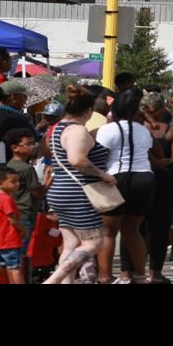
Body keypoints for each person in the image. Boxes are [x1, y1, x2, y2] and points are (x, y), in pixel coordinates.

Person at [44, 94, 116, 285]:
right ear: (89, 111)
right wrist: (103, 175)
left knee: (70, 244)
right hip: (78, 193)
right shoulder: (77, 131)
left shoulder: (57, 128)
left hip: (61, 190)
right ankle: (52, 281)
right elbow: (77, 160)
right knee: (94, 242)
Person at [96, 92, 157, 283]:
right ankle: (140, 274)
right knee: (133, 230)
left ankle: (105, 276)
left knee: (108, 232)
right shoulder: (143, 130)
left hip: (117, 178)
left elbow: (100, 156)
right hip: (145, 179)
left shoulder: (107, 130)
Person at [141, 98, 173, 283]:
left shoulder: (135, 128)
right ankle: (155, 273)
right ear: (162, 110)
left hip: (136, 179)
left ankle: (133, 271)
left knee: (135, 229)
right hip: (163, 181)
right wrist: (168, 161)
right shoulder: (169, 131)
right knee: (160, 228)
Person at [0, 127, 42, 276]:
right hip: (24, 216)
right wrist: (50, 180)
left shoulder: (8, 166)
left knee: (0, 261)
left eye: (34, 144)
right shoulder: (27, 169)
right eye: (29, 144)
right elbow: (37, 193)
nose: (33, 147)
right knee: (16, 260)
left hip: (9, 215)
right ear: (14, 147)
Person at [0, 167, 25, 284]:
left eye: (18, 181)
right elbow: (13, 220)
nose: (17, 184)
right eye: (13, 182)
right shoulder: (7, 199)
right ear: (0, 184)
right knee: (15, 268)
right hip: (9, 240)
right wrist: (24, 229)